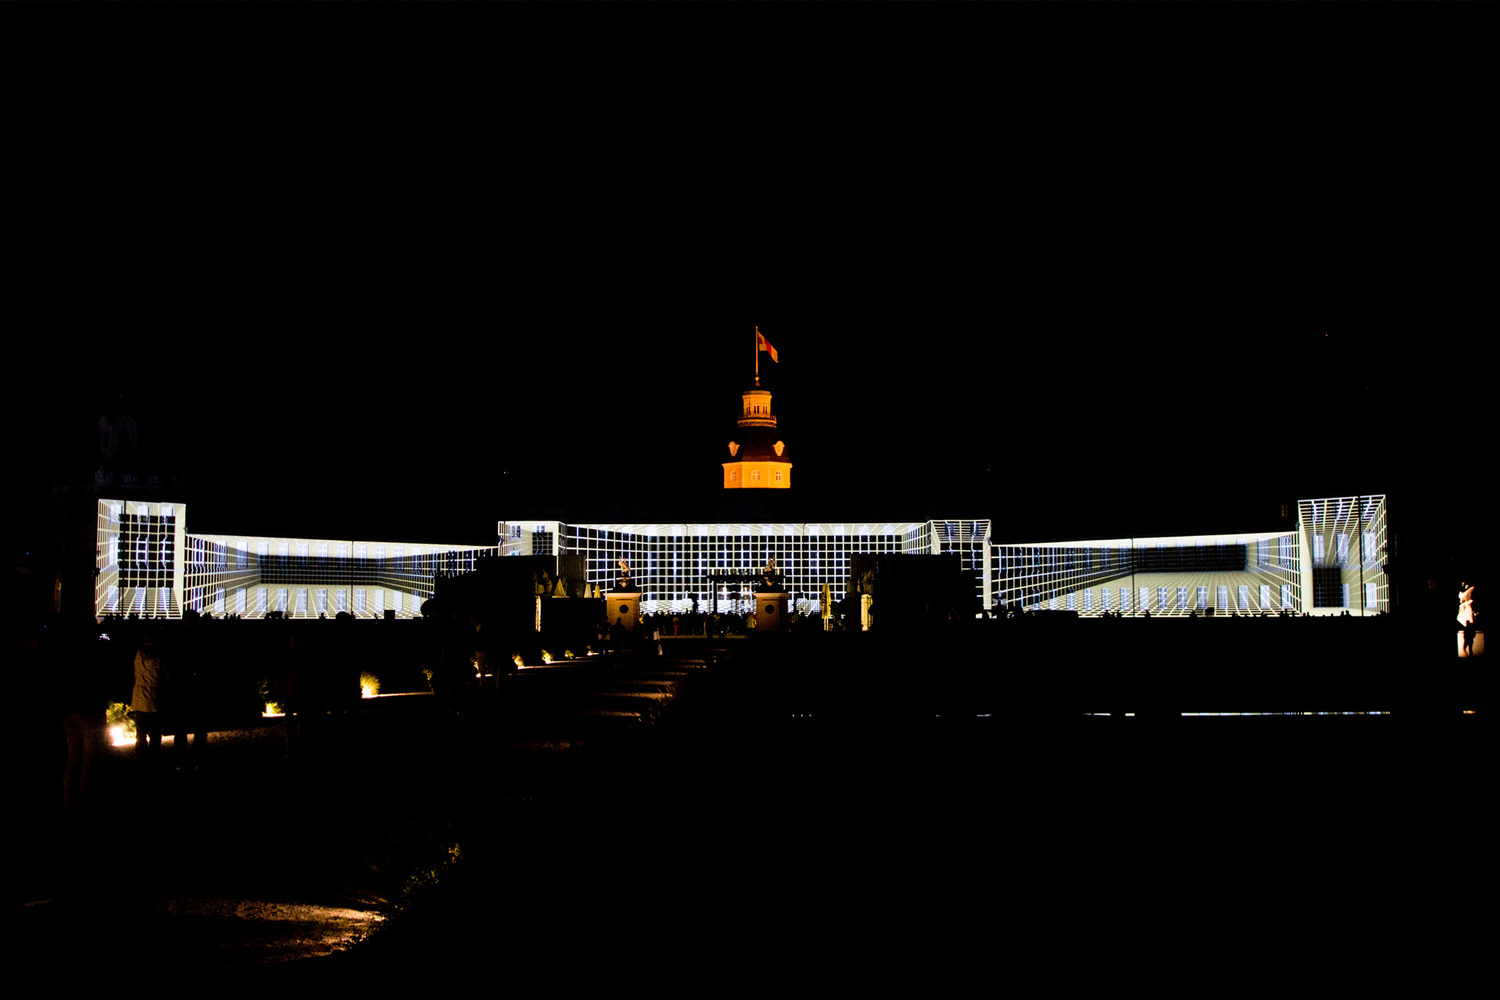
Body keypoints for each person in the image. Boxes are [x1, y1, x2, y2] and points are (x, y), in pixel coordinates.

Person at [1457, 581, 1477, 656]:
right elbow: (1462, 598)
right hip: (1464, 608)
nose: (1463, 585)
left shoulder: (1470, 591)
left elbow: (1471, 600)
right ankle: (1466, 649)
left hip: (1467, 608)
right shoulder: (1463, 592)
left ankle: (1469, 650)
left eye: (1464, 584)